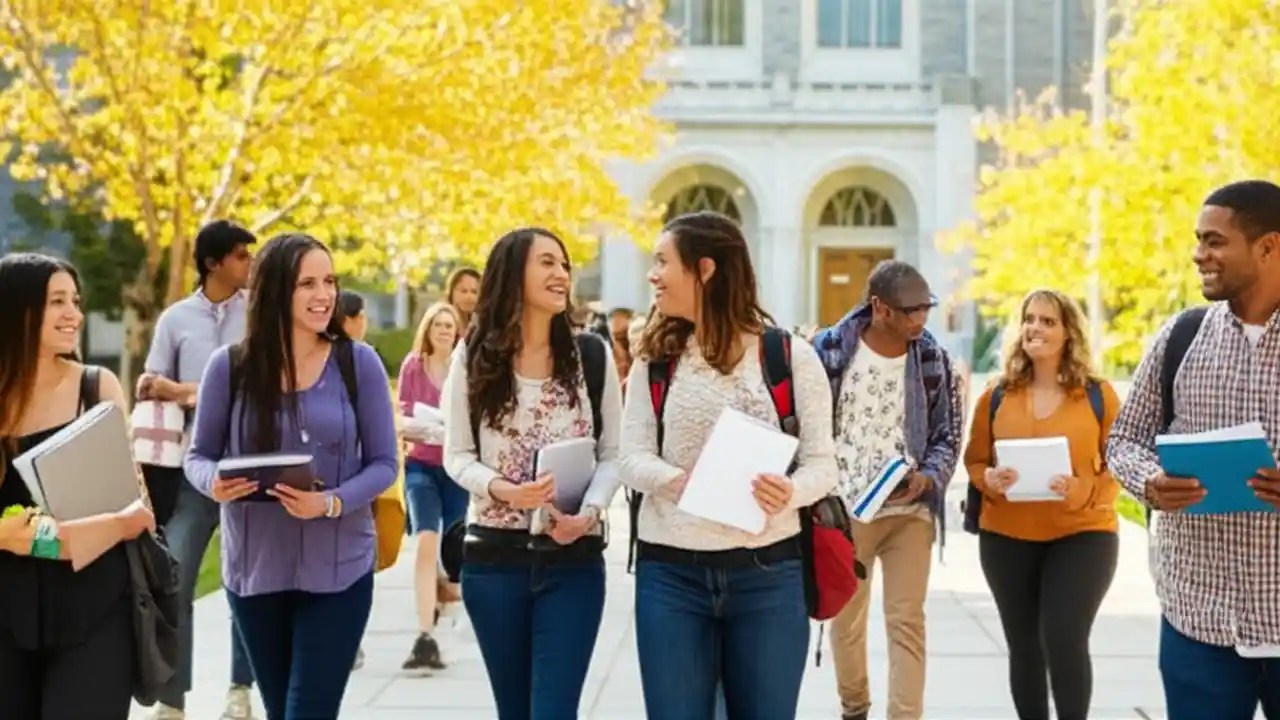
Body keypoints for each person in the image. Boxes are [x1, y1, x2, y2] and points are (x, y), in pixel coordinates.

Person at [618, 211, 839, 719]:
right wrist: (677, 481)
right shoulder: (656, 358)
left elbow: (823, 465)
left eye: (663, 262)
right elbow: (630, 456)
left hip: (769, 575)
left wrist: (790, 491)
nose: (653, 275)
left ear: (705, 269)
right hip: (670, 575)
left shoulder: (790, 356)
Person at [184, 233, 399, 719]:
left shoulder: (357, 363)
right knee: (281, 709)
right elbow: (198, 457)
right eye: (308, 284)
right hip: (256, 569)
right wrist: (213, 481)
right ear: (276, 289)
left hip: (340, 568)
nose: (325, 295)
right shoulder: (229, 368)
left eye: (329, 281)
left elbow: (384, 463)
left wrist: (331, 502)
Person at [1107, 180, 1280, 720]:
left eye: (1215, 241)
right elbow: (1124, 439)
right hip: (1199, 622)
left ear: (1268, 247)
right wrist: (1150, 483)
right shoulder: (1180, 336)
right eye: (1199, 240)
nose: (1199, 254)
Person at [441, 228, 623, 720]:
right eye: (547, 262)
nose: (561, 274)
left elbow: (613, 455)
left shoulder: (591, 356)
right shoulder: (473, 355)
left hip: (573, 562)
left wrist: (590, 512)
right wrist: (504, 490)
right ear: (512, 273)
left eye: (564, 265)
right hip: (493, 563)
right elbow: (456, 455)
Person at [0, 253, 155, 719]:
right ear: (17, 310)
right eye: (56, 301)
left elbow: (136, 515)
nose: (74, 314)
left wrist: (35, 539)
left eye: (75, 300)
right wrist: (79, 534)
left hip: (97, 612)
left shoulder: (96, 389)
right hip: (7, 617)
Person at [811, 260, 962, 720]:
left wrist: (928, 476)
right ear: (880, 307)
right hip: (846, 511)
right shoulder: (828, 351)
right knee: (846, 621)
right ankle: (854, 708)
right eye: (911, 309)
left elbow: (947, 434)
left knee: (907, 620)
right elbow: (807, 428)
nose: (921, 318)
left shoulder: (932, 358)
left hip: (909, 511)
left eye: (926, 308)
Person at [964, 289, 1121, 720]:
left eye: (1048, 321)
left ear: (1069, 333)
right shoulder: (996, 395)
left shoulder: (1098, 395)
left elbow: (1120, 464)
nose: (1035, 328)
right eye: (1029, 319)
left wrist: (1081, 489)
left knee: (1064, 635)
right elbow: (976, 460)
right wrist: (989, 479)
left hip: (1083, 534)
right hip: (1007, 536)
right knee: (1024, 645)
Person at [137, 219, 258, 720]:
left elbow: (255, 386)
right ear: (213, 263)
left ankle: (240, 690)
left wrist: (183, 390)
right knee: (176, 577)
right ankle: (172, 703)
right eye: (241, 256)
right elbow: (149, 384)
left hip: (251, 467)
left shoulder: (260, 315)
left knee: (247, 583)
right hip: (191, 469)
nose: (250, 264)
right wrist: (189, 392)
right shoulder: (176, 319)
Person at [397, 301, 467, 673]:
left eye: (449, 325)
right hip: (421, 467)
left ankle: (443, 606)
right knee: (426, 540)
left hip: (455, 470)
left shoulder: (465, 369)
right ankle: (424, 634)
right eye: (437, 324)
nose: (443, 330)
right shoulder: (413, 366)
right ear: (428, 329)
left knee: (454, 555)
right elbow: (403, 418)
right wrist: (424, 428)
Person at [445, 267, 481, 333]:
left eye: (474, 292)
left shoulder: (484, 328)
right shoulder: (442, 324)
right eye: (464, 291)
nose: (469, 296)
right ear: (451, 293)